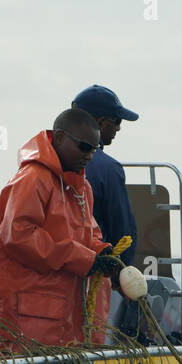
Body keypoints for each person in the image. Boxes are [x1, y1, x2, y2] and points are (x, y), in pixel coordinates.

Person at [0, 109, 124, 351]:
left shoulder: (82, 188)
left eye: (94, 149)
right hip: (27, 325)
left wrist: (102, 253)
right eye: (83, 147)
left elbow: (89, 235)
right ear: (59, 138)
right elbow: (18, 235)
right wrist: (83, 258)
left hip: (63, 322)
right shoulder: (32, 178)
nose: (89, 155)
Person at [72, 85, 139, 267]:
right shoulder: (108, 168)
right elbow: (122, 231)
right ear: (100, 122)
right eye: (116, 121)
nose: (118, 128)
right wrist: (121, 275)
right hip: (97, 272)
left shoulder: (40, 164)